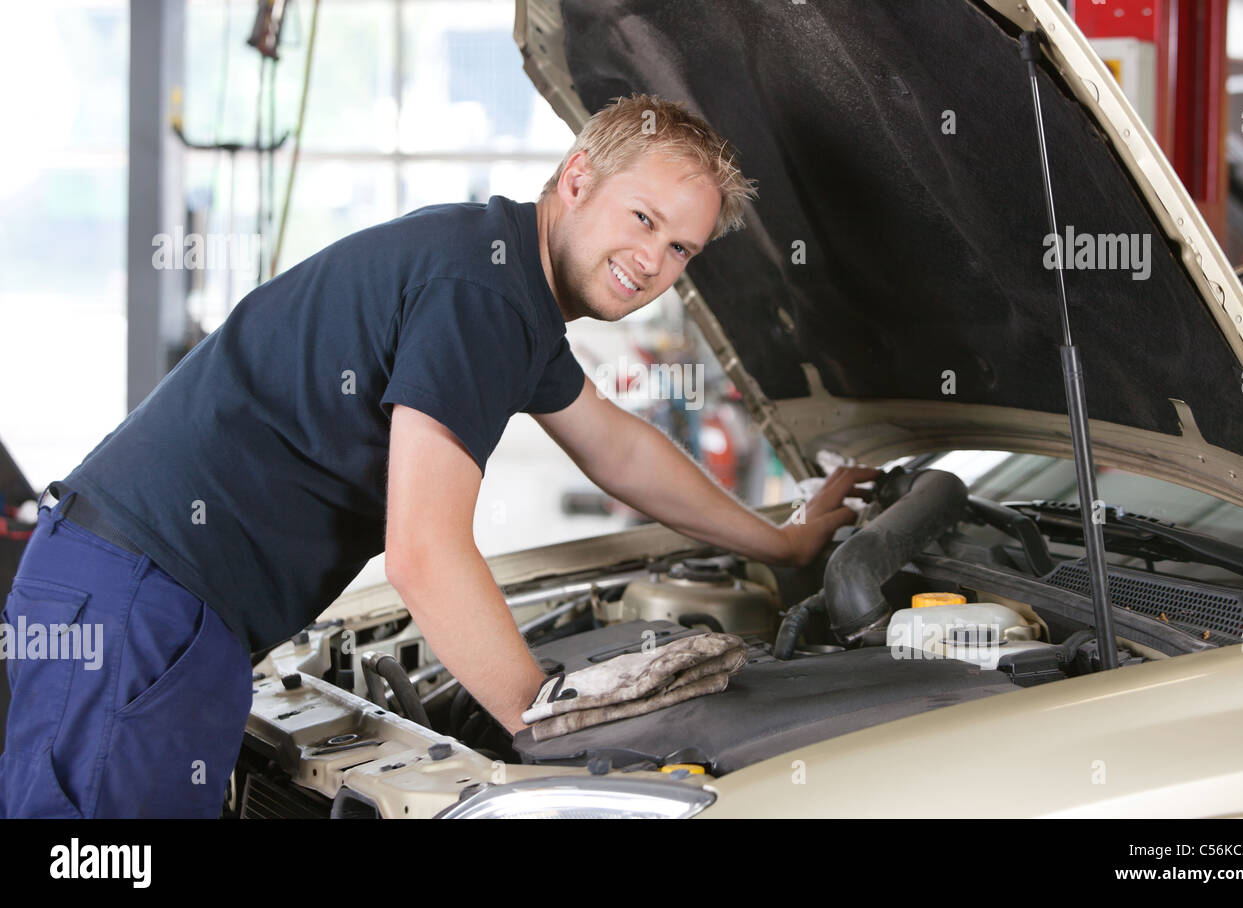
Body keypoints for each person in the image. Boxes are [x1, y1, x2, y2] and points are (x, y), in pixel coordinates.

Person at [0, 94, 879, 817]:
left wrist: (783, 543)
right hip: (142, 606)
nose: (652, 260)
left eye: (679, 247)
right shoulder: (485, 295)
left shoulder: (499, 274)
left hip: (144, 596)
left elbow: (618, 447)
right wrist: (544, 722)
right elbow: (422, 551)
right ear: (578, 179)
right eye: (642, 218)